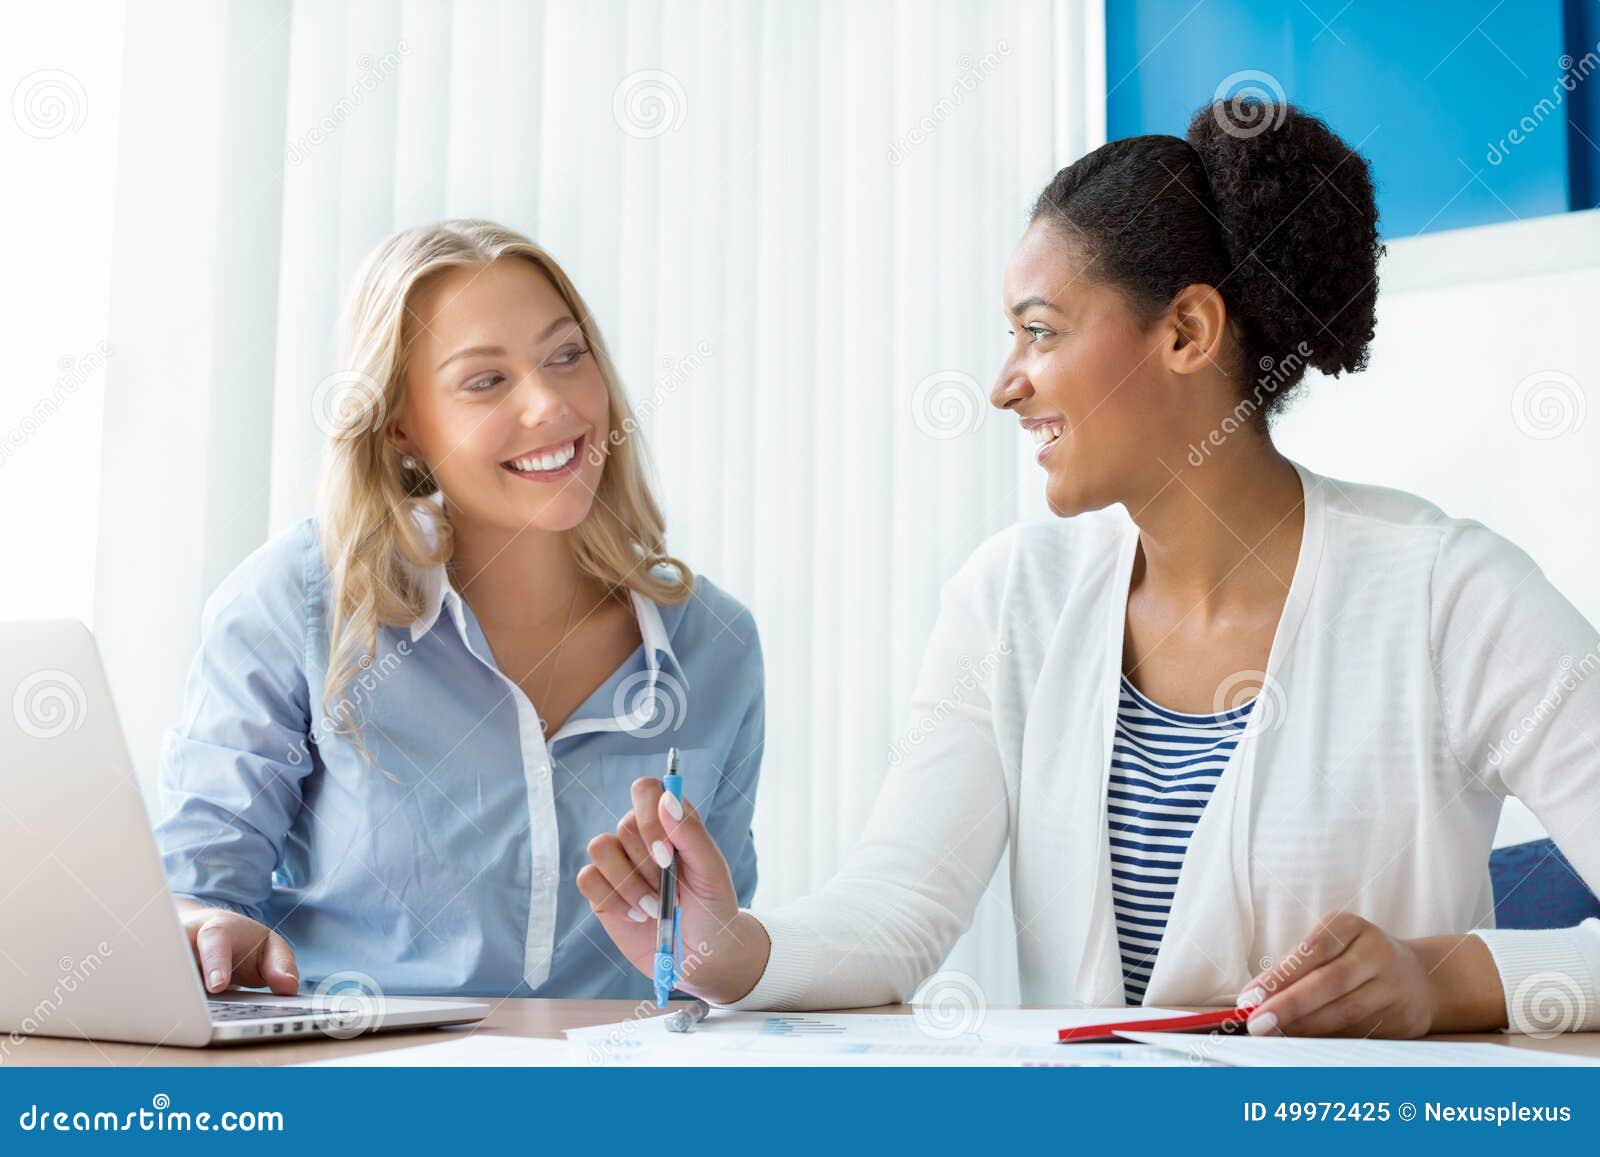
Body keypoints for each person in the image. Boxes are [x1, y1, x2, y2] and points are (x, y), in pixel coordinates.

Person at [579, 100, 1600, 1038]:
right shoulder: (1010, 599)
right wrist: (724, 948)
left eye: (1038, 331)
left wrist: (1445, 976)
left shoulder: (1445, 593)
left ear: (1187, 331)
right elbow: (896, 906)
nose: (1002, 385)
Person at [156, 220, 764, 1000]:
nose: (550, 404)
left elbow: (717, 950)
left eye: (566, 356)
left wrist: (720, 965)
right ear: (401, 425)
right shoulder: (297, 602)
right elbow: (196, 894)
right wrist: (199, 927)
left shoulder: (716, 644)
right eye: (486, 380)